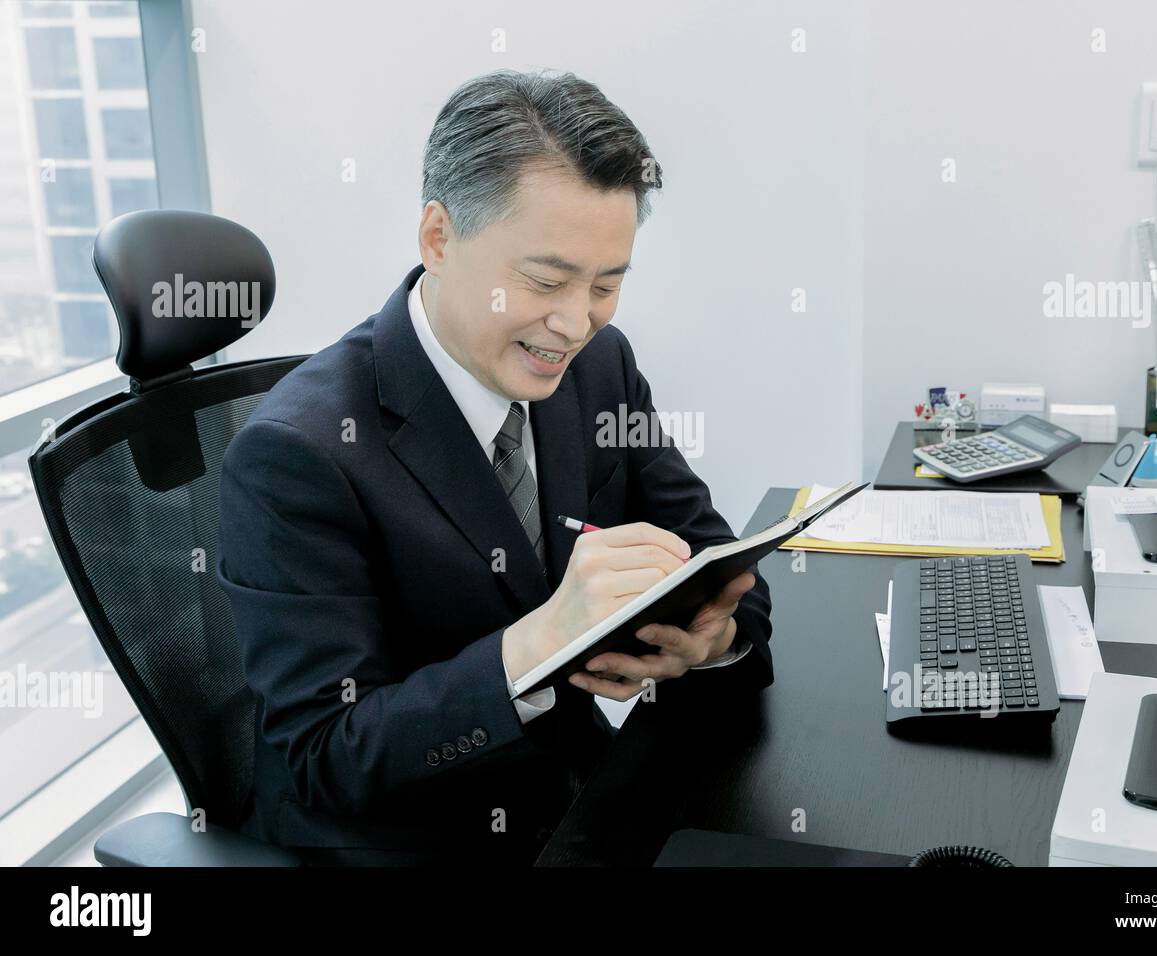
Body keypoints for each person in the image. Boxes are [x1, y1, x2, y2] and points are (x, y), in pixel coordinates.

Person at [218, 69, 773, 865]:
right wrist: (541, 640)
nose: (576, 322)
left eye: (608, 285)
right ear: (438, 239)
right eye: (545, 282)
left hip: (575, 806)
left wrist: (708, 641)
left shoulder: (598, 368)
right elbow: (326, 757)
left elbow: (722, 572)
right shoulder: (297, 454)